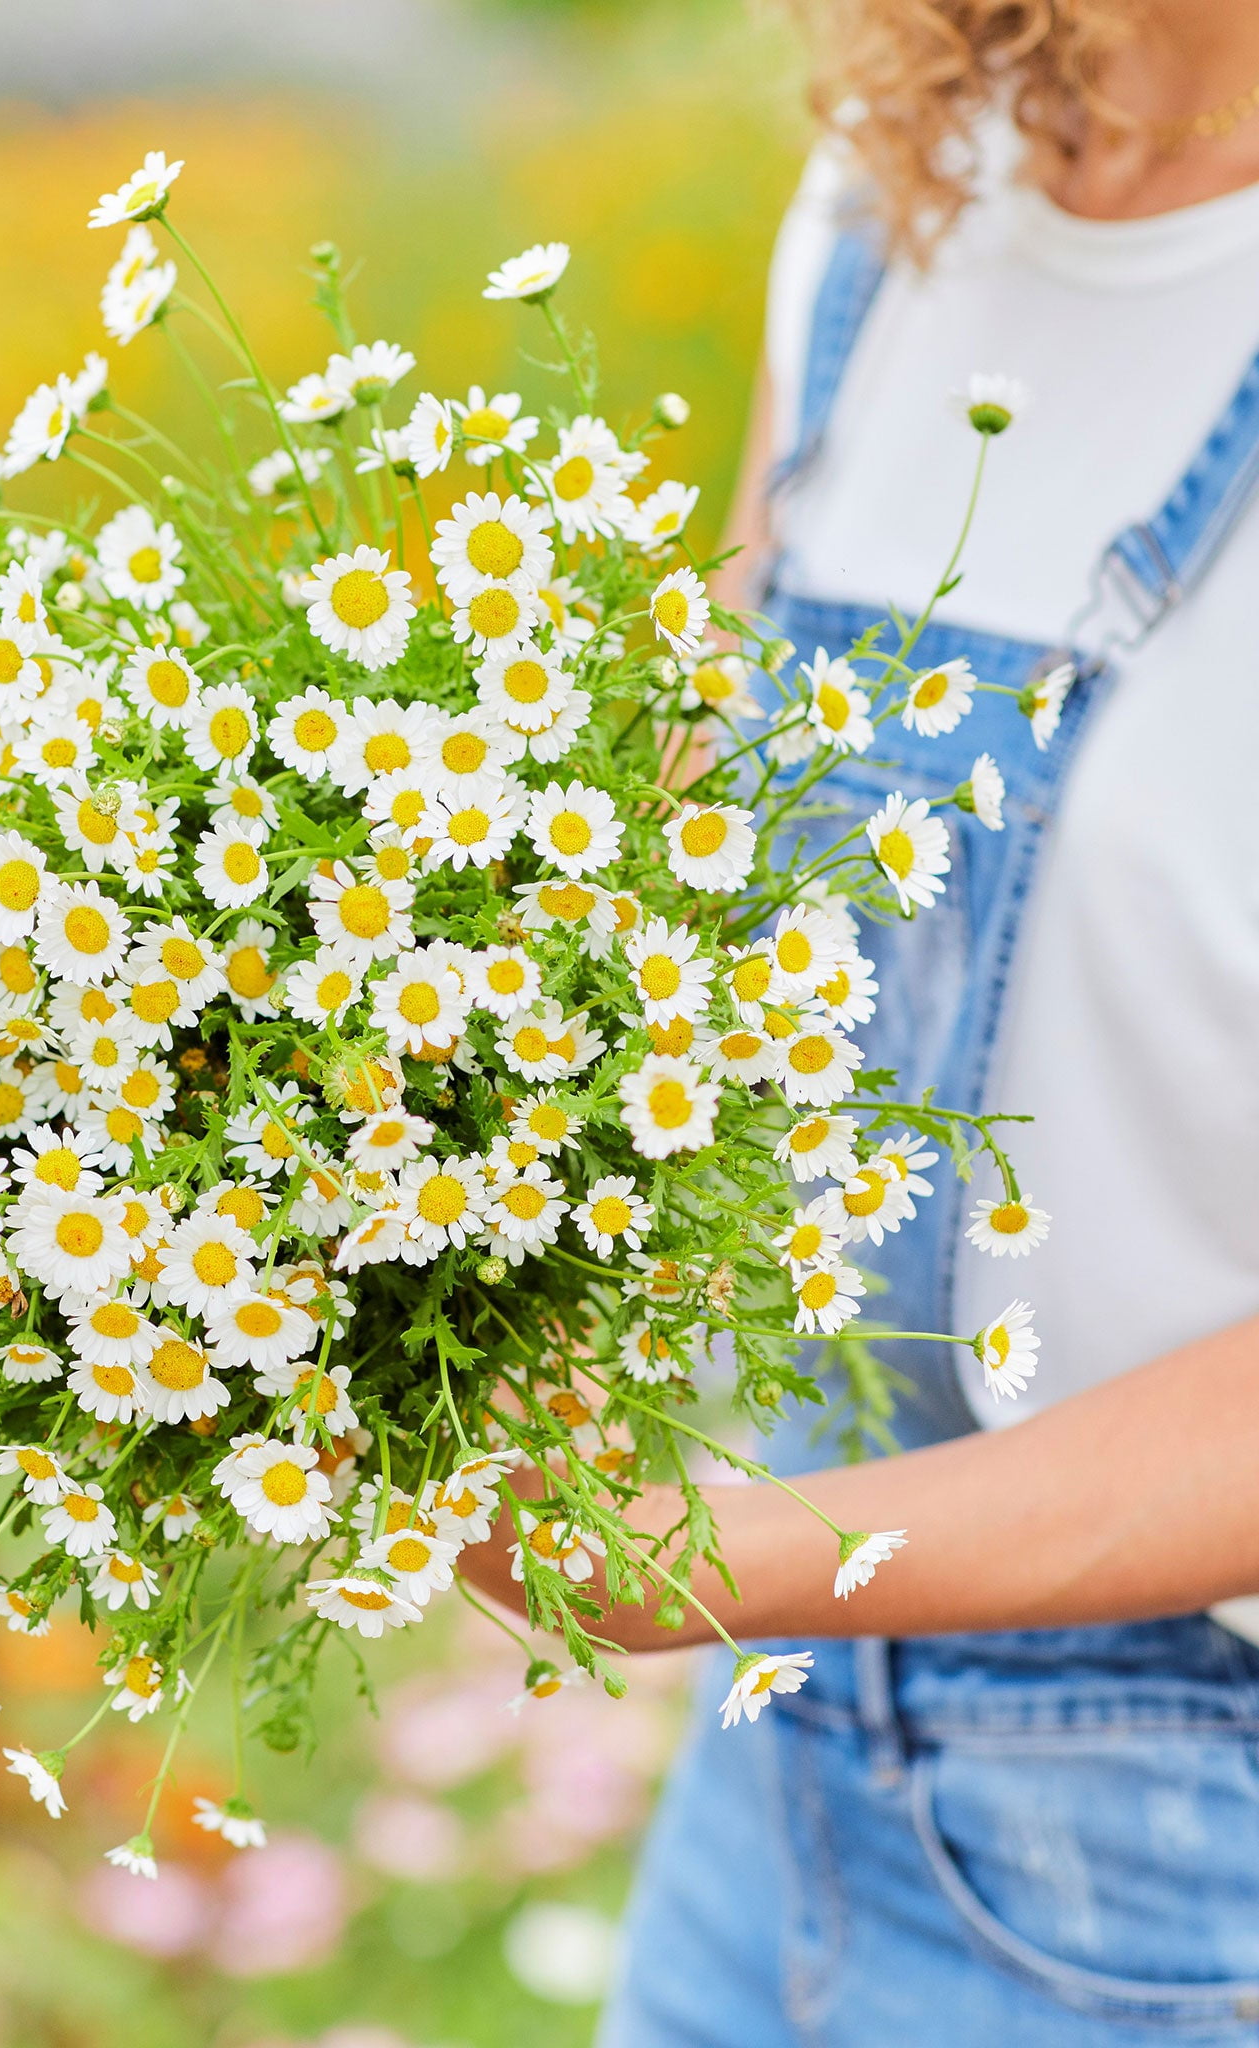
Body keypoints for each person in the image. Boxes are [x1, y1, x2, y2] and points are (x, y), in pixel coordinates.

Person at [467, 2, 1259, 2039]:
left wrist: (748, 1551)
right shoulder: (893, 203)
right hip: (779, 1768)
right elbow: (678, 915)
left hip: (1192, 1859)